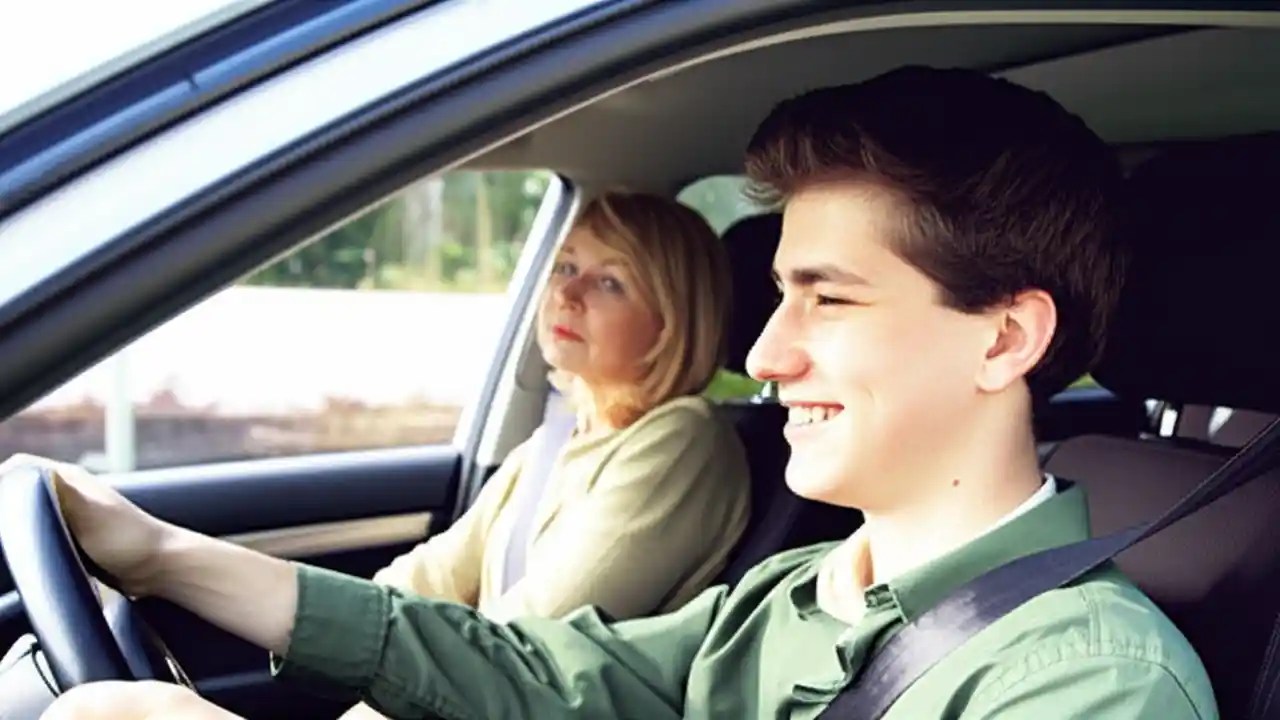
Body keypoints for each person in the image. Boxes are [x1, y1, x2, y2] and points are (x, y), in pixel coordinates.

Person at [35, 65, 1215, 719]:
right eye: (777, 296)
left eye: (828, 299)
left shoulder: (1087, 678)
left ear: (1003, 336)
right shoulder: (794, 594)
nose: (762, 353)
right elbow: (539, 673)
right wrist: (167, 556)